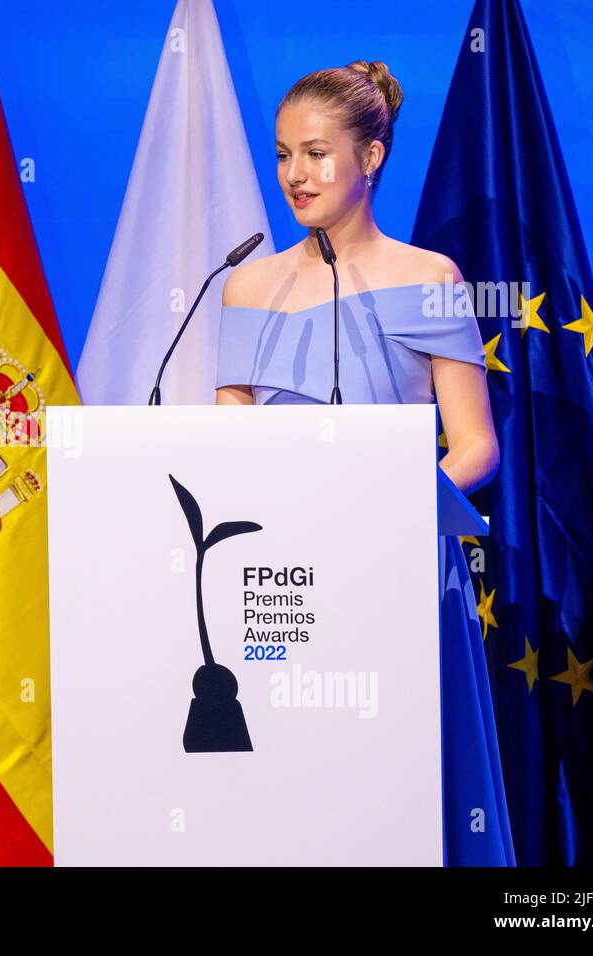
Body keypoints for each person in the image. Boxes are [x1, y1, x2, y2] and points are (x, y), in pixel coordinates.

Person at [215, 60, 516, 865]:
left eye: (315, 153)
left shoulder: (431, 279)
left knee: (400, 796)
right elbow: (231, 426)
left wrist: (382, 505)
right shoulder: (247, 286)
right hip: (281, 579)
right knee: (295, 794)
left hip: (398, 568)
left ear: (371, 156)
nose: (294, 176)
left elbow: (477, 447)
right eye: (282, 155)